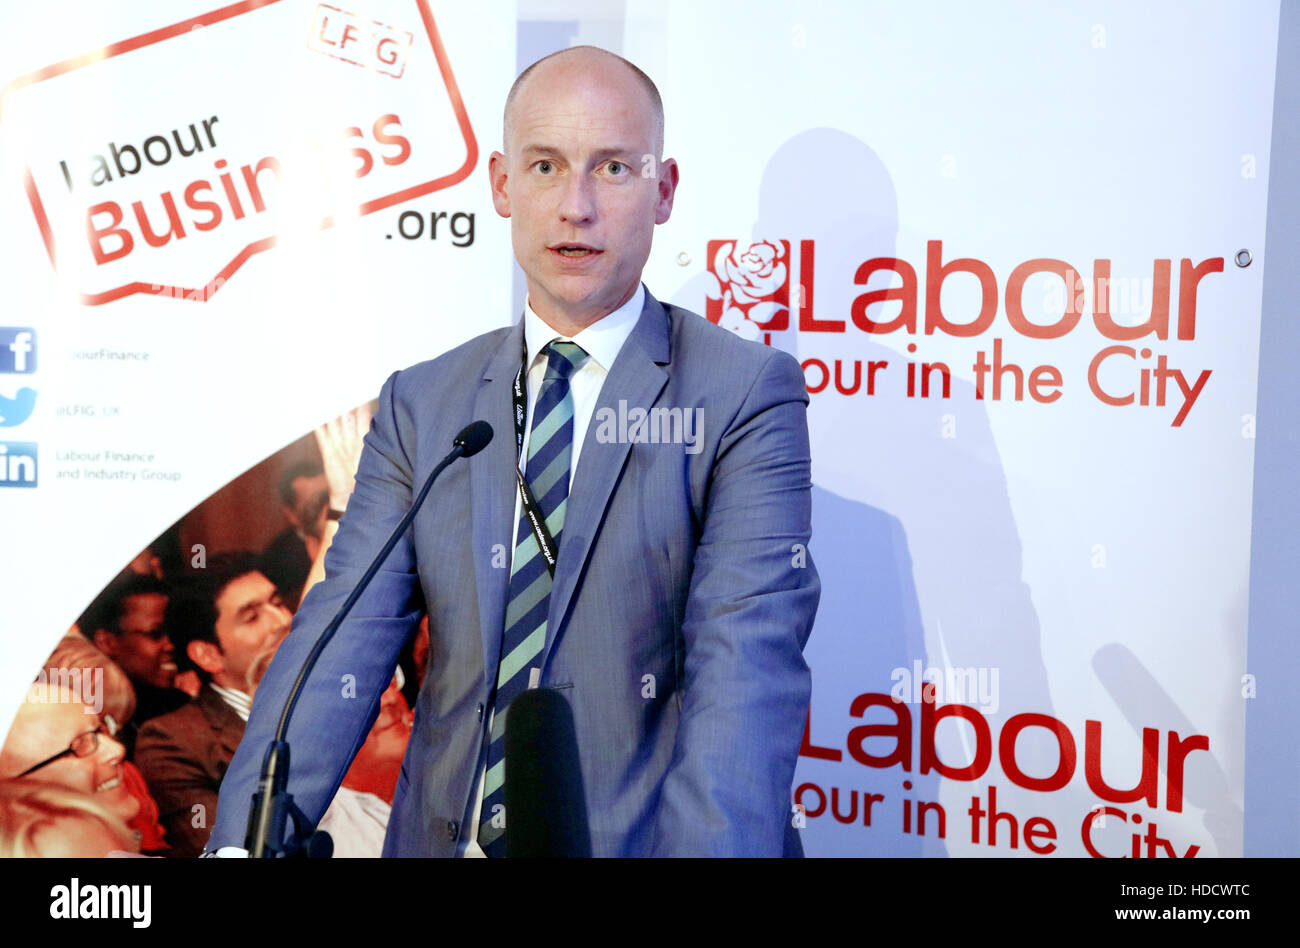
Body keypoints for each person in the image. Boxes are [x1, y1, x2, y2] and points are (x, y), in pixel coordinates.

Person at [208, 45, 818, 857]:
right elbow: (340, 638)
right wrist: (242, 842)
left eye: (613, 169)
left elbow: (744, 674)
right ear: (500, 184)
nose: (575, 206)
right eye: (543, 166)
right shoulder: (423, 403)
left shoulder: (742, 393)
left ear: (663, 191)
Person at [134, 553, 291, 857]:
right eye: (252, 616)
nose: (283, 621)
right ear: (209, 655)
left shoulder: (327, 689)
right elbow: (230, 850)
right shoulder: (172, 742)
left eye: (278, 602)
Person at [80, 573, 189, 756]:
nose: (170, 645)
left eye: (173, 632)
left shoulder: (180, 704)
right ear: (107, 642)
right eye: (155, 634)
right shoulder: (91, 719)